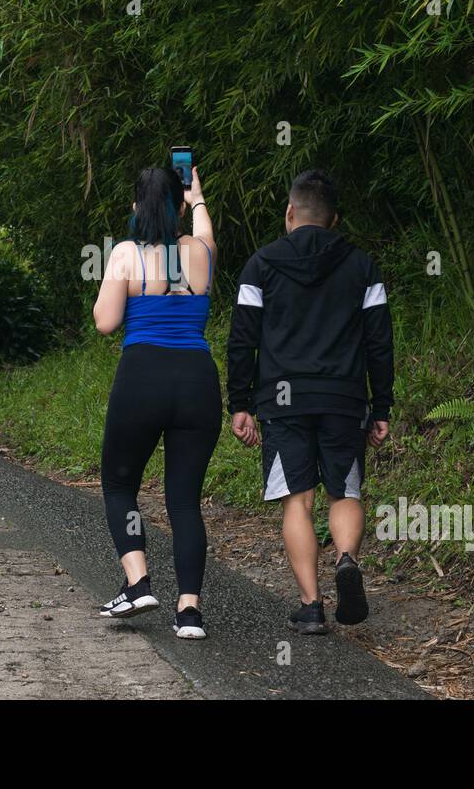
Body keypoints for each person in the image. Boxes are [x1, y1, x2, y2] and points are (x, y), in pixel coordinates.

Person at [226, 168, 394, 634]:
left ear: (289, 212)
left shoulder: (261, 263)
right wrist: (382, 407)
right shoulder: (362, 266)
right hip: (344, 397)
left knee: (297, 501)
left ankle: (312, 606)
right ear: (334, 219)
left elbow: (243, 340)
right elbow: (380, 342)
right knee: (345, 490)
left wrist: (239, 402)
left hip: (284, 401)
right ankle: (345, 557)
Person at [92, 164, 219, 640]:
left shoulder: (126, 253)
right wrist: (198, 195)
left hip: (142, 378)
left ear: (134, 208)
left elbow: (105, 322)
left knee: (120, 483)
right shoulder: (201, 252)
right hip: (197, 382)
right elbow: (204, 227)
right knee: (185, 501)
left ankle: (138, 581)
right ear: (180, 206)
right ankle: (189, 611)